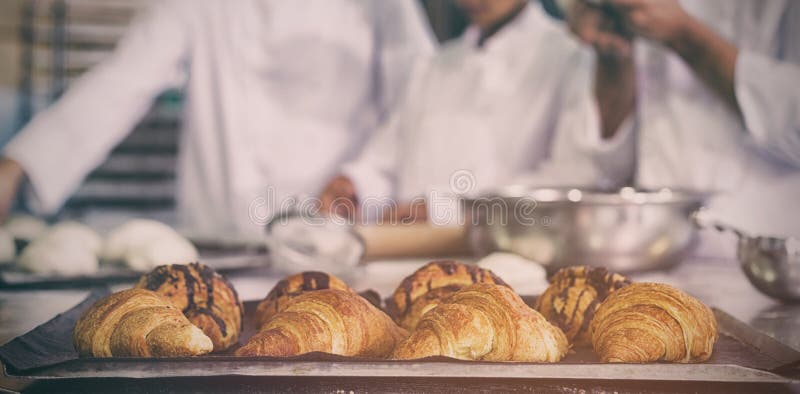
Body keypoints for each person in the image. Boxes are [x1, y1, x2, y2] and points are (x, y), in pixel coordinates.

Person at [0, 0, 434, 236]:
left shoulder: (382, 6)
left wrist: (366, 180)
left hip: (336, 238)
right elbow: (120, 81)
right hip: (216, 240)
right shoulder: (196, 6)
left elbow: (421, 100)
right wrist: (19, 165)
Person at [520, 0, 800, 238]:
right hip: (653, 244)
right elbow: (605, 166)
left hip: (763, 251)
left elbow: (793, 129)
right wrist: (611, 53)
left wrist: (684, 34)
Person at [320, 0, 593, 224]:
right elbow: (386, 159)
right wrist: (356, 186)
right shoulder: (433, 66)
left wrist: (447, 210)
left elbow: (569, 177)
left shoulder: (571, 56)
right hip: (406, 258)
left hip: (507, 264)